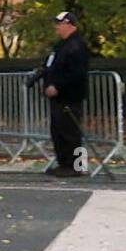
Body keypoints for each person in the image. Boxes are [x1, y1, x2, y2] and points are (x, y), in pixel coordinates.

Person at [41, 11, 89, 177]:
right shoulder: (61, 46)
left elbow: (77, 73)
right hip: (58, 98)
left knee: (71, 132)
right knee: (58, 131)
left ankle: (77, 166)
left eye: (59, 23)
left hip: (70, 96)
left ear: (69, 24)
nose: (56, 27)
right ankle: (64, 164)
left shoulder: (77, 46)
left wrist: (58, 86)